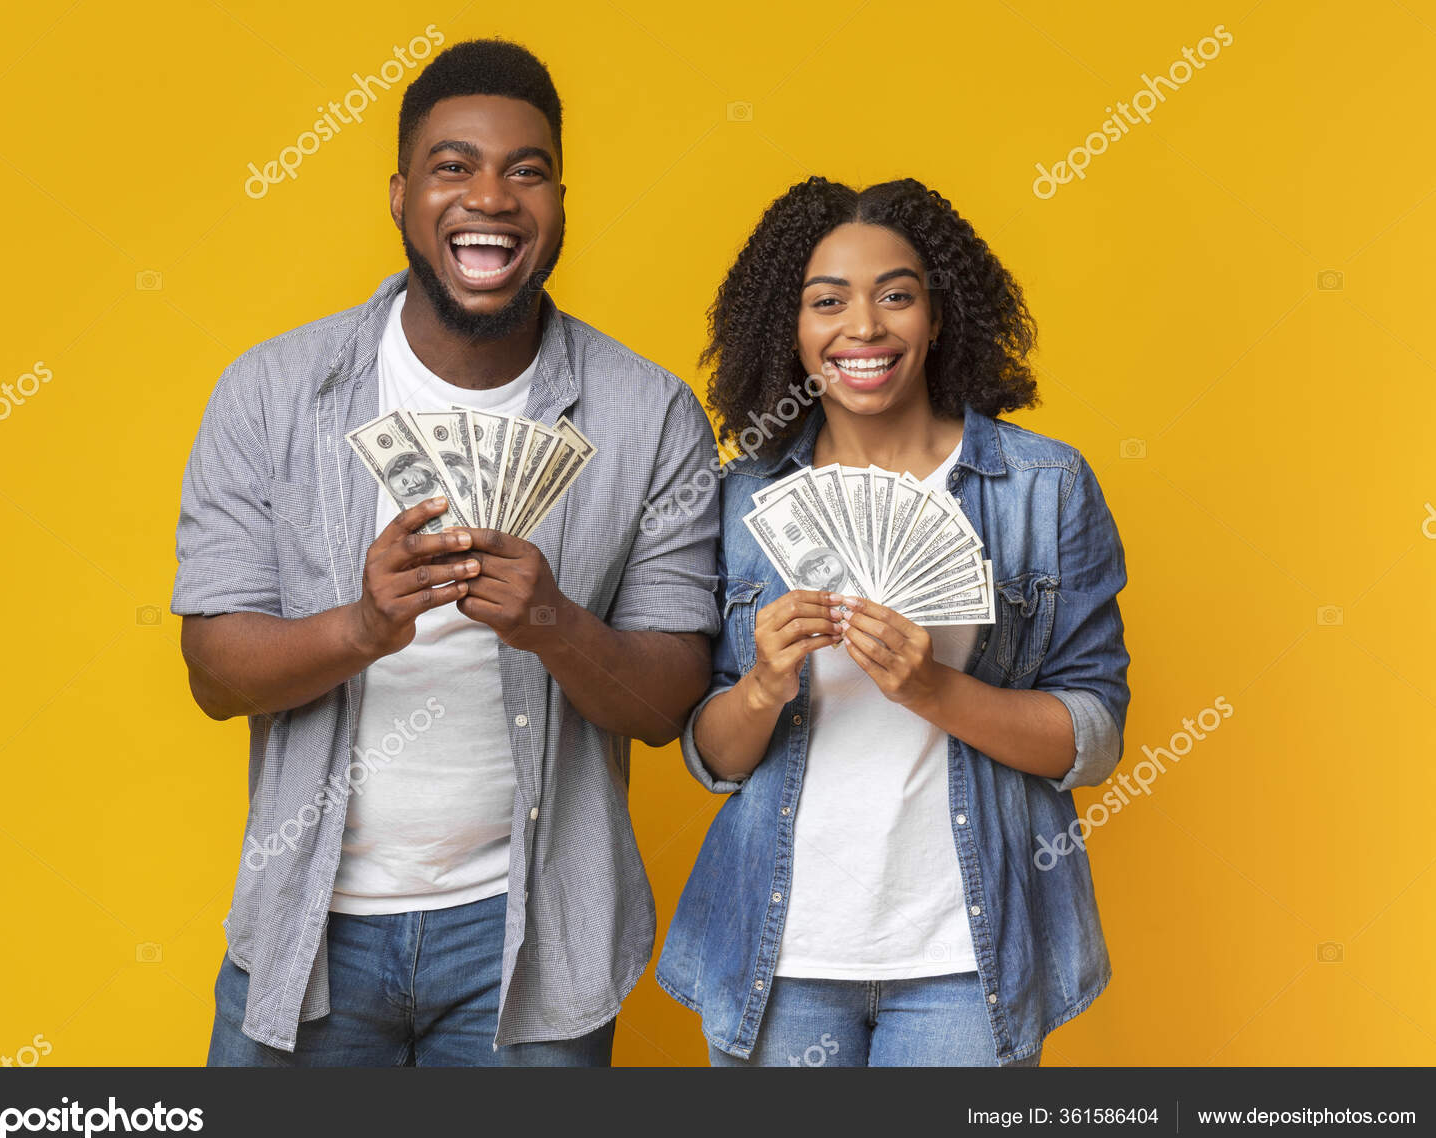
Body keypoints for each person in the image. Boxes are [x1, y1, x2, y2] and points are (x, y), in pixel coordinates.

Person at [173, 39, 719, 1067]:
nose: (492, 197)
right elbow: (212, 673)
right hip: (309, 932)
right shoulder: (271, 393)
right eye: (453, 166)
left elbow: (670, 705)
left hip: (532, 940)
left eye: (526, 170)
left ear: (559, 198)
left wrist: (552, 624)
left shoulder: (649, 416)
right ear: (400, 196)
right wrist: (362, 626)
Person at [655, 177, 1130, 1067]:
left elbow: (1094, 739)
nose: (863, 328)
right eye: (826, 301)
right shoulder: (744, 501)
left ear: (938, 316)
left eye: (896, 295)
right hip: (778, 955)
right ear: (790, 332)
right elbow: (710, 757)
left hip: (965, 959)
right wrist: (762, 686)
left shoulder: (1042, 487)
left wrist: (933, 688)